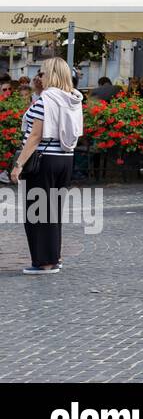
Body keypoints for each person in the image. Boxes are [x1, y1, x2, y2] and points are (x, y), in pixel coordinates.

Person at [11, 58, 84, 274]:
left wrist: (18, 164)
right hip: (65, 158)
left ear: (50, 75)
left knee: (37, 212)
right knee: (52, 211)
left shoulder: (46, 100)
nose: (38, 77)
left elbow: (35, 135)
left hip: (43, 160)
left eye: (41, 73)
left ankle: (43, 262)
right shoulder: (72, 99)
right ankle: (54, 256)